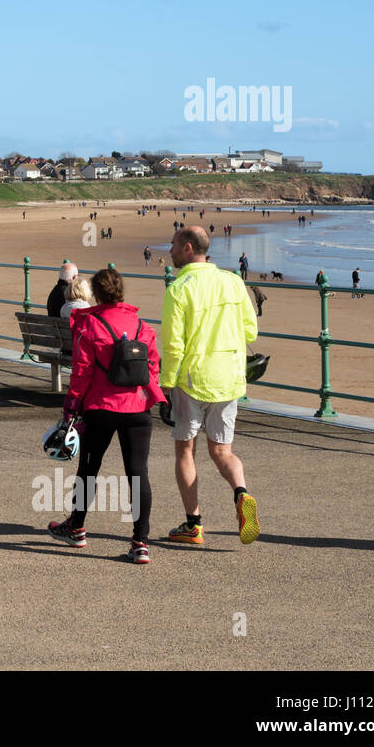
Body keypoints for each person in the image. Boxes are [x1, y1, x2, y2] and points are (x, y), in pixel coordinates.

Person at [49, 268, 167, 563]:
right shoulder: (142, 326)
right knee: (138, 473)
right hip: (138, 407)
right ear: (122, 292)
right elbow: (153, 368)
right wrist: (156, 397)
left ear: (96, 295)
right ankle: (141, 542)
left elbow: (82, 373)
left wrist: (71, 408)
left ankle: (76, 527)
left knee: (88, 469)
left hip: (100, 408)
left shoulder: (91, 326)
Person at [160, 226, 260, 547]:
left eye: (174, 245)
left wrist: (166, 385)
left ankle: (194, 524)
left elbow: (174, 346)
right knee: (222, 451)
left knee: (185, 450)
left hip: (193, 377)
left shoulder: (179, 289)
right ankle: (241, 493)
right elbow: (250, 332)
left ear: (188, 248)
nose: (170, 250)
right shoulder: (233, 281)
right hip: (229, 377)